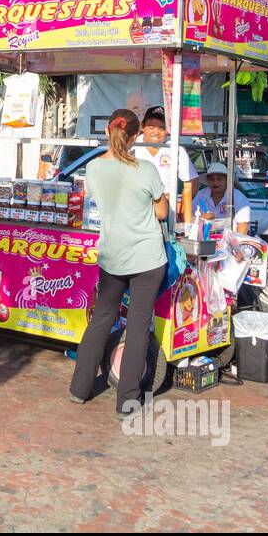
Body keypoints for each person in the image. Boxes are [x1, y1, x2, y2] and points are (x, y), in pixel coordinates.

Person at [69, 109, 169, 419]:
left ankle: (79, 389)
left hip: (112, 255)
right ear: (137, 135)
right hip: (146, 257)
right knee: (138, 326)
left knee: (101, 320)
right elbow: (162, 212)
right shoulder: (146, 169)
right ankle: (127, 401)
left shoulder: (94, 168)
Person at [135, 105, 197, 224]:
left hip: (167, 213)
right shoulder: (132, 148)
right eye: (151, 126)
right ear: (143, 127)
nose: (156, 132)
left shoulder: (176, 150)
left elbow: (192, 181)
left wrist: (183, 206)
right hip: (136, 210)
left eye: (162, 128)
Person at [191, 162, 252, 235]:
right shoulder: (201, 195)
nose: (215, 182)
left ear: (227, 181)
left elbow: (243, 225)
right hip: (204, 238)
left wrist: (235, 245)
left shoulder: (238, 197)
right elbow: (192, 217)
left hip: (231, 240)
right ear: (208, 181)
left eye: (219, 179)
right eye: (211, 179)